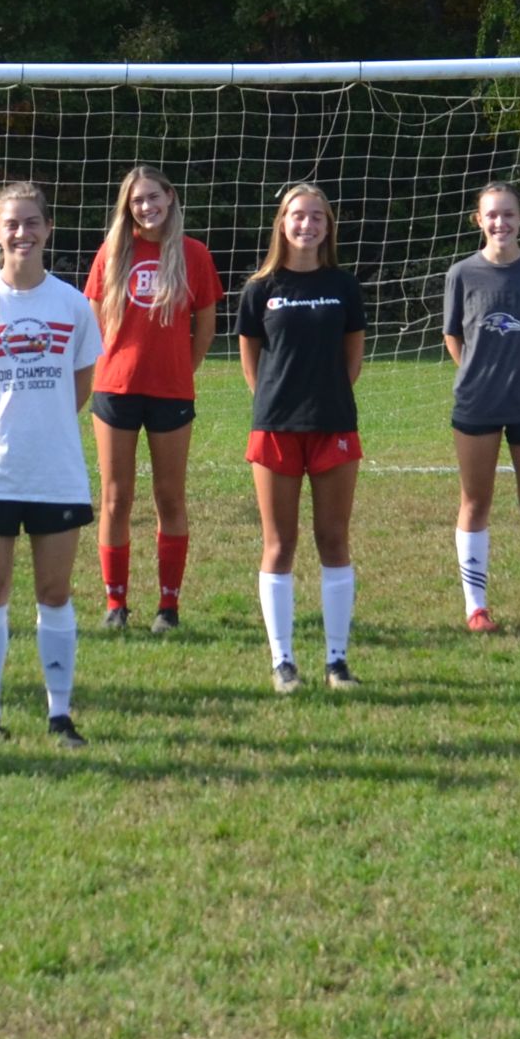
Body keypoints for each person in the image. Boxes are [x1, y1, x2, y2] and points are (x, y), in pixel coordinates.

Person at [0, 183, 105, 747]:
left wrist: (42, 425)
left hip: (56, 471)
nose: (22, 233)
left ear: (48, 228)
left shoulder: (73, 305)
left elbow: (80, 386)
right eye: (12, 223)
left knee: (55, 593)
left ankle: (60, 715)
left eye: (32, 222)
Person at [237, 183, 368, 692]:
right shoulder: (260, 287)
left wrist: (325, 395)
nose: (307, 224)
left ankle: (337, 661)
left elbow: (351, 359)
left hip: (333, 422)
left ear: (327, 226)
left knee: (333, 540)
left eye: (317, 216)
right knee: (279, 543)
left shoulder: (344, 285)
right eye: (298, 215)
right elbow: (252, 358)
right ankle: (283, 661)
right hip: (275, 427)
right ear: (282, 223)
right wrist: (274, 398)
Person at [81, 166, 220, 635]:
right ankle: (115, 603)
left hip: (171, 392)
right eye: (137, 200)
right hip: (116, 390)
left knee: (169, 497)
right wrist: (117, 366)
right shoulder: (113, 252)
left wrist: (182, 367)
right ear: (128, 206)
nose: (146, 207)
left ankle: (168, 605)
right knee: (116, 498)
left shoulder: (193, 254)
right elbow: (95, 321)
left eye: (153, 197)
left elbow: (205, 325)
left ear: (170, 198)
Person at [444, 183, 520, 634]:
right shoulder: (462, 273)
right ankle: (476, 606)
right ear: (479, 221)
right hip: (477, 404)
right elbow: (454, 335)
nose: (500, 223)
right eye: (492, 215)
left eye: (508, 214)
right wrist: (478, 372)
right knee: (475, 501)